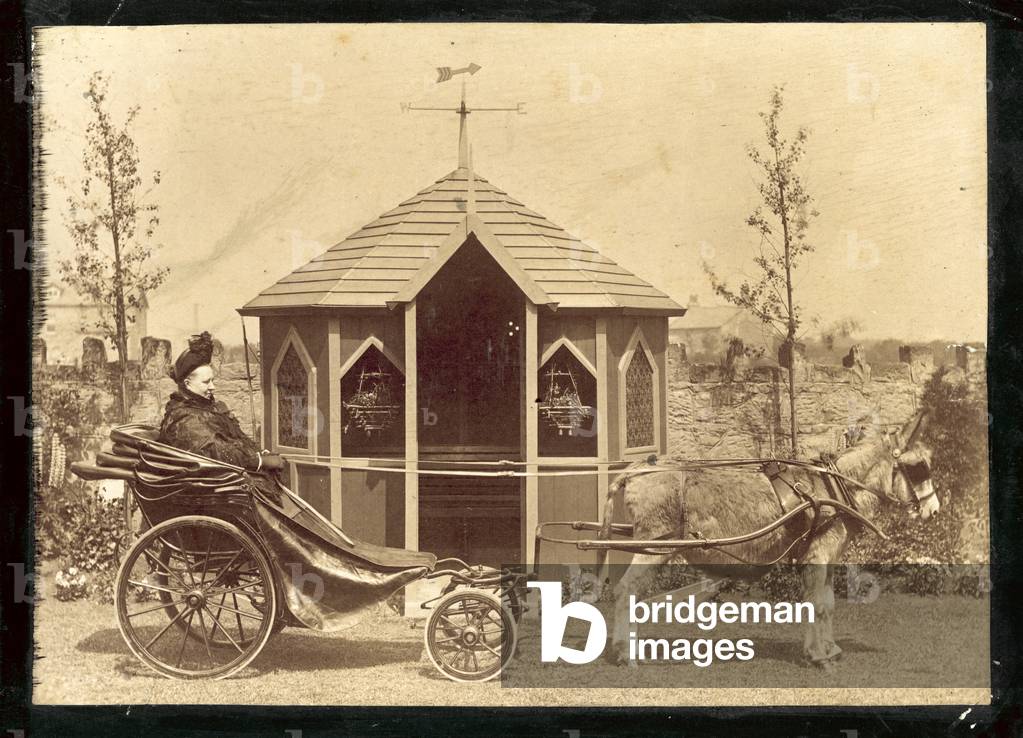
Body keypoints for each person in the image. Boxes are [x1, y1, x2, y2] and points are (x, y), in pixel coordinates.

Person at [159, 331, 286, 477]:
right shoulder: (183, 417)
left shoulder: (207, 408)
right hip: (206, 488)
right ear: (187, 384)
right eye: (206, 382)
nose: (212, 387)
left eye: (212, 380)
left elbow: (236, 438)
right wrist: (259, 461)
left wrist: (259, 452)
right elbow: (216, 450)